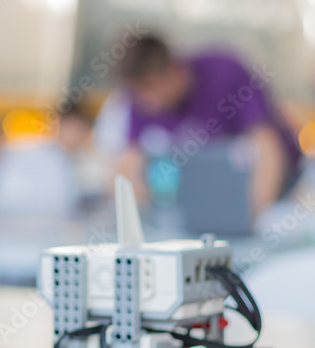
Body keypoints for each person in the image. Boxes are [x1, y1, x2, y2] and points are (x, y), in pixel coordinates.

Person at [113, 35, 301, 217]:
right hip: (203, 203)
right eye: (138, 92)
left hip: (275, 190)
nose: (146, 100)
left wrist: (253, 220)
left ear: (172, 68)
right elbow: (128, 164)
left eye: (150, 87)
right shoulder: (140, 99)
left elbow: (267, 150)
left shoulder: (224, 73)